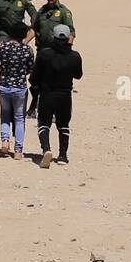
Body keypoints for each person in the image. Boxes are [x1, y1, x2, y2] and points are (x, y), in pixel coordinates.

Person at [30, 24, 83, 168]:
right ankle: (63, 156)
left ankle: (46, 149)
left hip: (47, 94)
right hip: (65, 95)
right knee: (63, 125)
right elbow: (78, 75)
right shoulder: (75, 56)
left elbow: (33, 78)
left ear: (53, 37)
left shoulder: (45, 54)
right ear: (68, 38)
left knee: (44, 123)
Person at [30, 0, 75, 118]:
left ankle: (56, 112)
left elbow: (71, 33)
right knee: (36, 81)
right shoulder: (42, 11)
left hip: (56, 53)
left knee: (55, 83)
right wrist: (24, 43)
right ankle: (34, 107)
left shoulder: (63, 12)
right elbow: (34, 28)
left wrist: (67, 51)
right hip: (42, 51)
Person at [0, 22, 35, 160]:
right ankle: (18, 150)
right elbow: (30, 69)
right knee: (19, 118)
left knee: (5, 114)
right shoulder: (27, 50)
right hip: (19, 87)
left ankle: (5, 140)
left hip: (4, 86)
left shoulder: (2, 47)